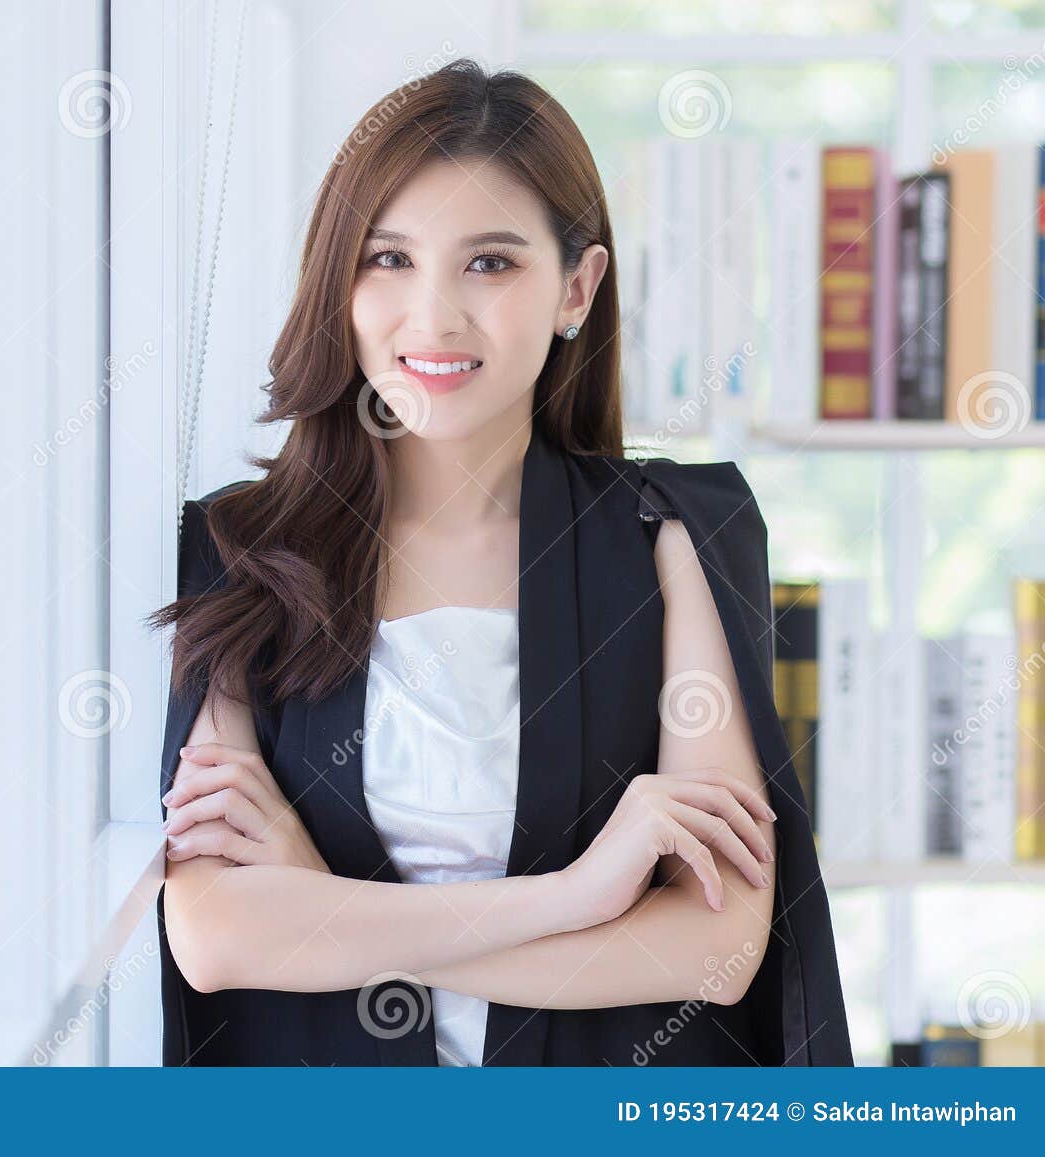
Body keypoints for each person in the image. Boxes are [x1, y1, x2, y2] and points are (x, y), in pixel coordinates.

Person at [144, 59, 853, 1067]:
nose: (431, 316)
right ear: (336, 280)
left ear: (576, 287)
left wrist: (330, 918)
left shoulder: (670, 536)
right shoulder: (239, 553)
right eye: (388, 258)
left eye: (489, 263)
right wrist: (577, 897)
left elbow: (718, 947)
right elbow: (218, 934)